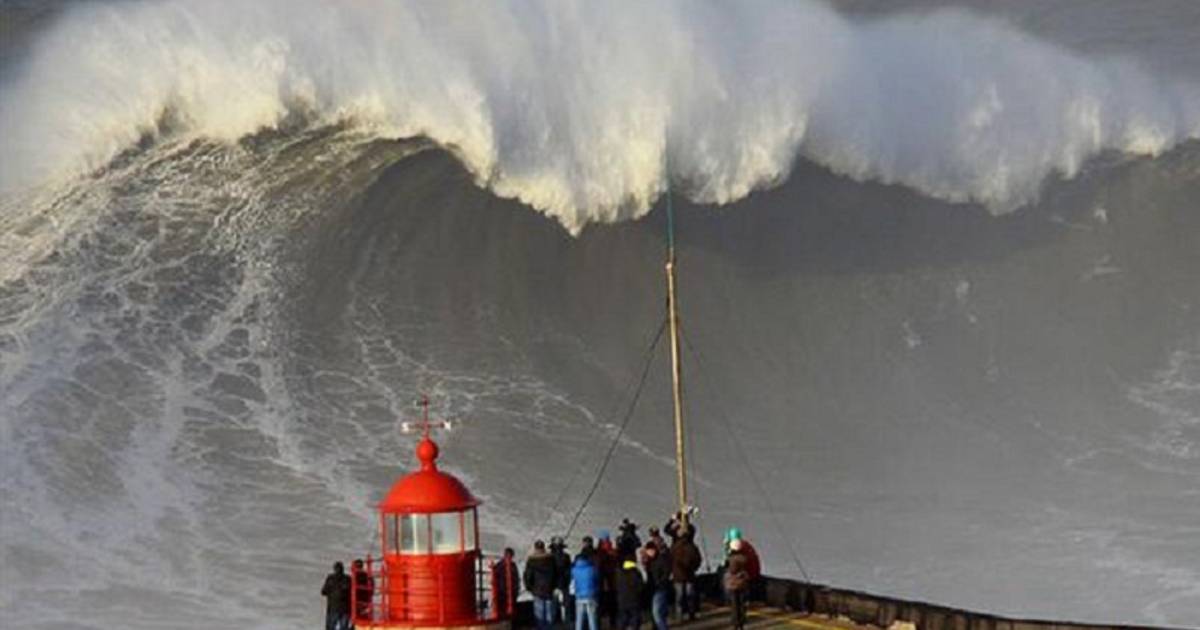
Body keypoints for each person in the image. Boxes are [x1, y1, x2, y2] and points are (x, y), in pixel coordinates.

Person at [524, 540, 558, 630]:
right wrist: (553, 586)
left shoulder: (531, 560)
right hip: (549, 590)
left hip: (537, 591)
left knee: (539, 616)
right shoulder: (551, 559)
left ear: (535, 548)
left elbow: (528, 576)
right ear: (543, 548)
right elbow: (556, 574)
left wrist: (529, 588)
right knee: (549, 616)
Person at [669, 528, 701, 621]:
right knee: (689, 595)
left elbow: (669, 560)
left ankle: (680, 615)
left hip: (678, 575)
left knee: (680, 597)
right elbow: (698, 559)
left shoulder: (674, 547)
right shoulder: (692, 547)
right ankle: (691, 614)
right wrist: (694, 568)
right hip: (689, 575)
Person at [643, 543, 673, 630]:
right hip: (653, 589)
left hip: (660, 588)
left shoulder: (661, 559)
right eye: (648, 551)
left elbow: (666, 573)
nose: (650, 552)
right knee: (659, 613)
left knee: (657, 613)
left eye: (651, 550)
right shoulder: (649, 561)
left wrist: (660, 582)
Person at [571, 544, 601, 630]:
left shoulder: (574, 570)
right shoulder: (592, 569)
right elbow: (597, 580)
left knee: (579, 619)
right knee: (592, 619)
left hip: (579, 596)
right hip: (591, 595)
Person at [724, 540, 751, 630]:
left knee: (735, 605)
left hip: (733, 584)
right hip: (742, 583)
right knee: (742, 604)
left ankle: (736, 623)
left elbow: (732, 570)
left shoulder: (731, 559)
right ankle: (742, 623)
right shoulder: (745, 558)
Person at [596, 530, 619, 628]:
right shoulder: (613, 551)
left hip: (602, 582)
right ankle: (613, 623)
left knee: (600, 606)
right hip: (613, 582)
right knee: (612, 606)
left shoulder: (598, 553)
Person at [320, 561, 352, 630]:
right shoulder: (348, 579)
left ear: (334, 569)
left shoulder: (330, 578)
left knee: (330, 627)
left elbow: (323, 592)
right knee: (344, 627)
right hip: (345, 609)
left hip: (333, 608)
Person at [614, 557, 644, 629]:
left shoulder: (619, 574)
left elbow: (616, 586)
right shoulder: (635, 574)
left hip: (622, 600)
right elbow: (640, 587)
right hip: (634, 601)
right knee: (635, 619)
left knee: (622, 618)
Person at [550, 536, 574, 625]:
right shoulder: (566, 556)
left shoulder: (549, 557)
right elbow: (569, 571)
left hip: (554, 585)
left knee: (553, 609)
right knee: (566, 607)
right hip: (563, 584)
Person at [492, 547, 520, 619]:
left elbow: (516, 579)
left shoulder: (502, 565)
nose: (510, 557)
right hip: (503, 593)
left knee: (509, 612)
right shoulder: (502, 566)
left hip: (509, 592)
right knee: (505, 611)